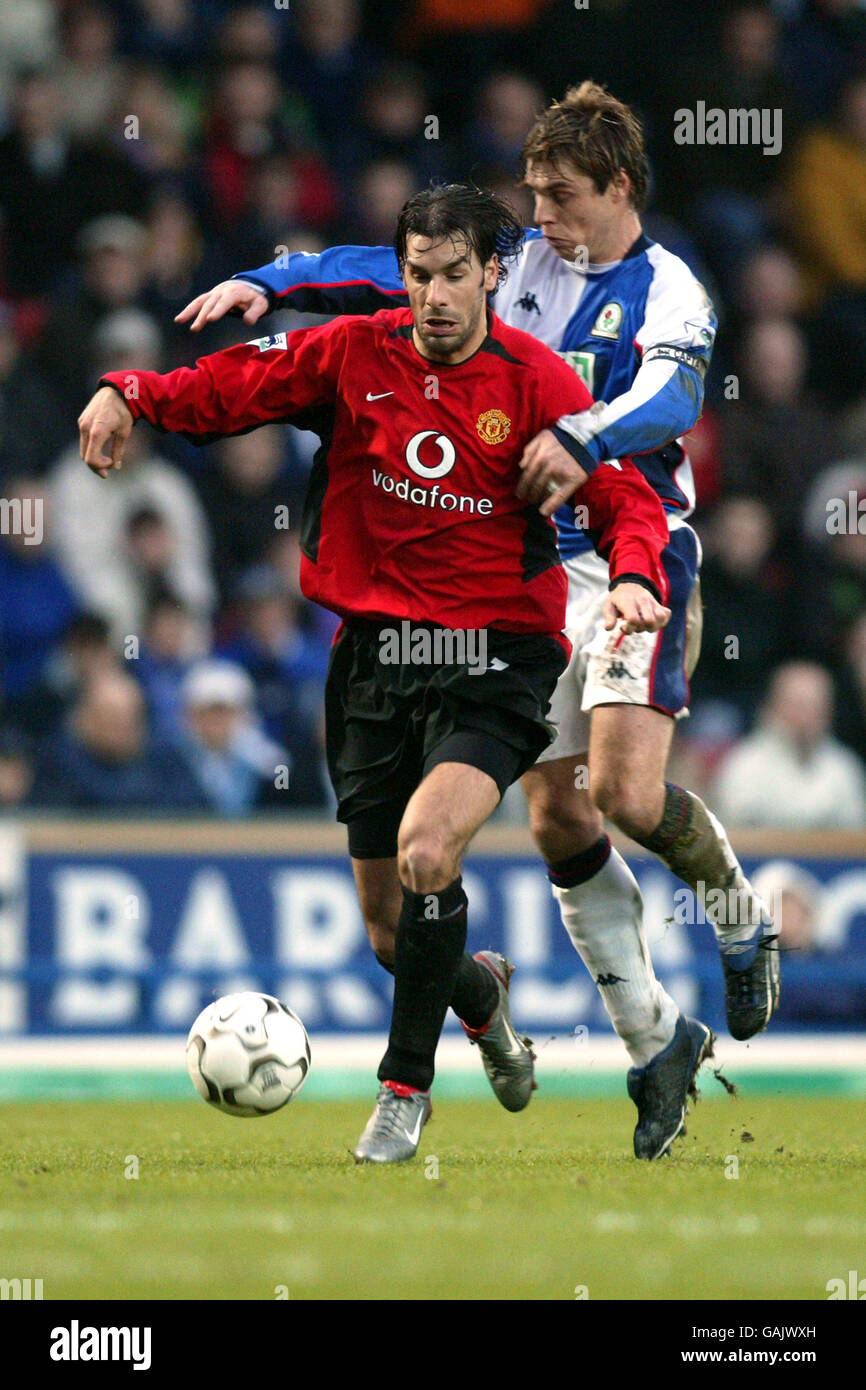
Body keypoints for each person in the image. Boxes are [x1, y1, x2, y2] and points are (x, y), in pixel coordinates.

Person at [176, 83, 779, 1150]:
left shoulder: (670, 287)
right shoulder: (512, 262)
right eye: (531, 194)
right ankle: (653, 1045)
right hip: (536, 574)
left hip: (637, 550)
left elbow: (674, 398)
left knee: (629, 795)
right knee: (556, 817)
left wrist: (584, 438)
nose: (538, 216)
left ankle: (736, 916)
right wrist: (261, 282)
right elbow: (372, 270)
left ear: (617, 189)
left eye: (557, 197)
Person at [79, 183, 686, 1164]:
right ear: (398, 273)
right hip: (371, 660)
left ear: (493, 271)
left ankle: (402, 1093)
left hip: (493, 657)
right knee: (387, 931)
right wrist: (131, 390)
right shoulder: (351, 352)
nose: (434, 296)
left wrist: (628, 577)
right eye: (417, 275)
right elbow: (227, 387)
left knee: (423, 852)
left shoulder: (537, 383)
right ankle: (482, 1003)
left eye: (454, 274)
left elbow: (621, 494)